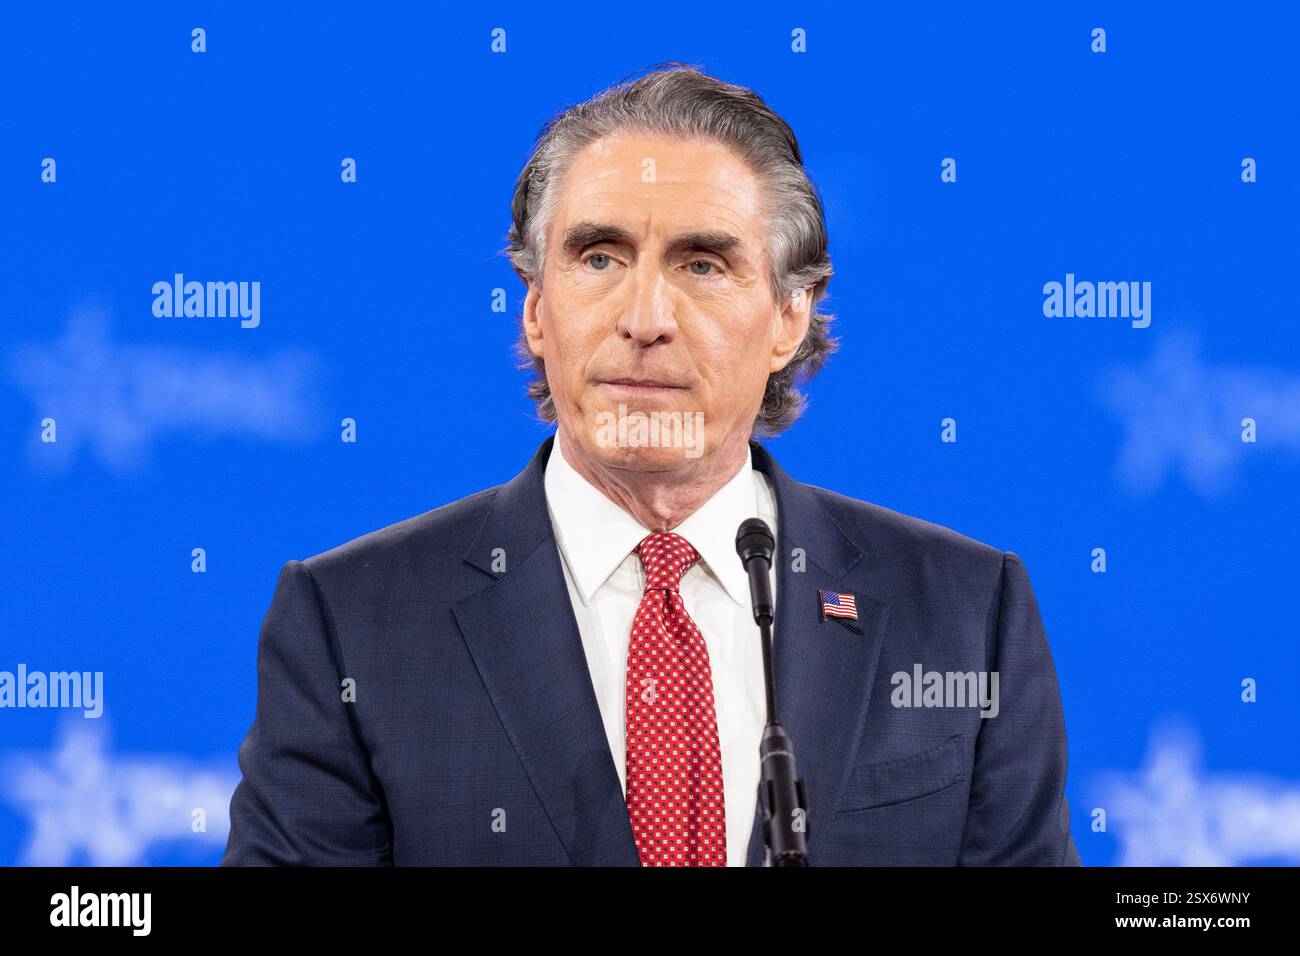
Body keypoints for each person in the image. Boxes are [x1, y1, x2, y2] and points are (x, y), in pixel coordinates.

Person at [222, 63, 1081, 866]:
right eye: (599, 258)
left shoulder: (968, 613)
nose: (645, 317)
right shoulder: (351, 620)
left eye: (702, 264)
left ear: (789, 318)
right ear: (534, 309)